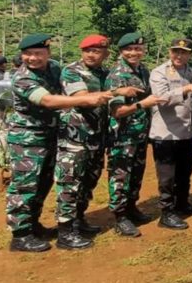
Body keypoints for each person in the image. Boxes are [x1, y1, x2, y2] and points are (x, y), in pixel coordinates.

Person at [5, 33, 113, 253]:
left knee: (43, 183)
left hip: (53, 134)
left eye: (38, 54)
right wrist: (87, 98)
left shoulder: (54, 68)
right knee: (25, 185)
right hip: (28, 138)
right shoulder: (23, 77)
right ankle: (20, 235)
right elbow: (48, 100)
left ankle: (34, 225)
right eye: (27, 54)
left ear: (48, 53)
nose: (32, 58)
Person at [54, 34, 137, 249]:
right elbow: (85, 98)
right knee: (69, 184)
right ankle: (65, 231)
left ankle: (79, 220)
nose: (91, 55)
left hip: (96, 138)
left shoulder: (103, 73)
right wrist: (118, 91)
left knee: (88, 182)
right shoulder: (72, 71)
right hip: (75, 138)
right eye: (87, 51)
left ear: (106, 54)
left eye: (96, 51)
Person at [149, 37, 192, 230]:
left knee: (185, 172)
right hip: (165, 134)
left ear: (190, 55)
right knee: (167, 176)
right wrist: (186, 88)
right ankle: (166, 213)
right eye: (175, 51)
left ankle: (182, 204)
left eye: (184, 52)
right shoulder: (159, 72)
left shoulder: (190, 72)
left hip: (185, 132)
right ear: (169, 52)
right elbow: (161, 98)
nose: (179, 55)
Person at [106, 31, 162, 237]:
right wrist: (142, 104)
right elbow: (117, 111)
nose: (134, 53)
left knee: (136, 174)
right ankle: (120, 216)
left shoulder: (143, 71)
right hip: (122, 136)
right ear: (121, 51)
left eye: (138, 49)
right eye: (129, 49)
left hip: (139, 135)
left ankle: (131, 208)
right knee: (120, 176)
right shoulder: (117, 75)